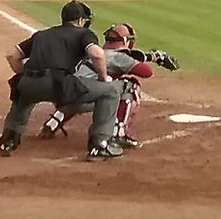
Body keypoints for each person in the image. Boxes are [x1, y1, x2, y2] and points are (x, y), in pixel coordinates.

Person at [0, 0, 124, 162]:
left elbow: (12, 55)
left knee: (22, 94)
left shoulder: (42, 34)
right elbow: (97, 54)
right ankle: (100, 144)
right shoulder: (83, 34)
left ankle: (8, 141)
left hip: (30, 83)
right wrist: (102, 78)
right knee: (110, 91)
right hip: (59, 84)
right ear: (79, 20)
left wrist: (27, 75)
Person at [37, 22, 180, 149]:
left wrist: (150, 56)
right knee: (129, 85)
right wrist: (154, 58)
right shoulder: (119, 58)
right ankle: (119, 134)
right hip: (81, 97)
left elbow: (123, 57)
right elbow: (146, 72)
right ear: (126, 41)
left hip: (62, 95)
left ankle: (53, 123)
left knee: (90, 84)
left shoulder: (93, 52)